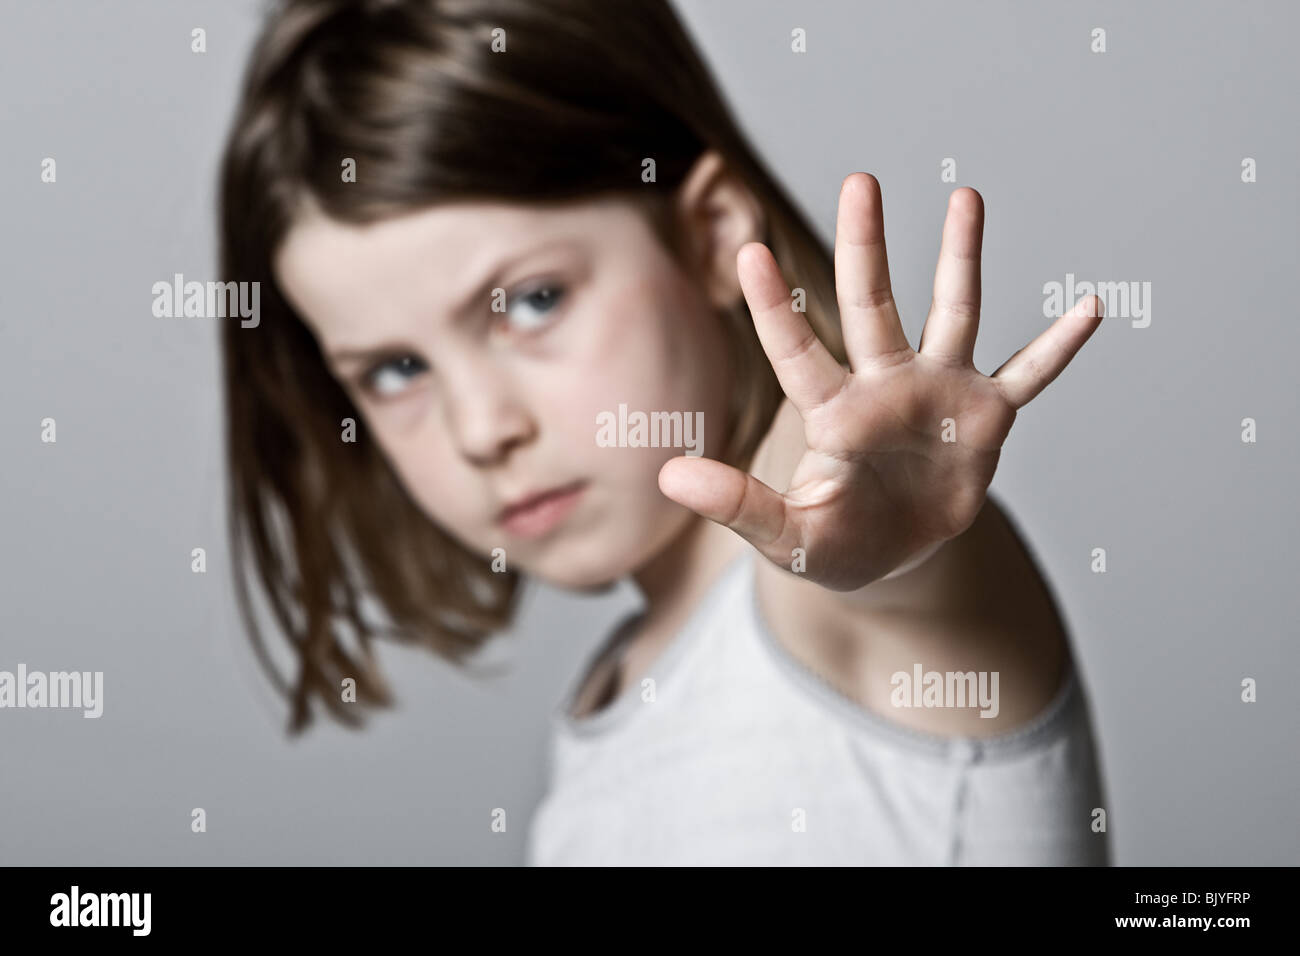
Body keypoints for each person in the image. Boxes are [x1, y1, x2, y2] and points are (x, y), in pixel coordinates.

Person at [217, 0, 1110, 865]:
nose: (480, 428)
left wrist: (877, 511)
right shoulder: (620, 697)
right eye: (395, 370)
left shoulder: (823, 605)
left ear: (713, 232)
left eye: (532, 301)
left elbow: (865, 551)